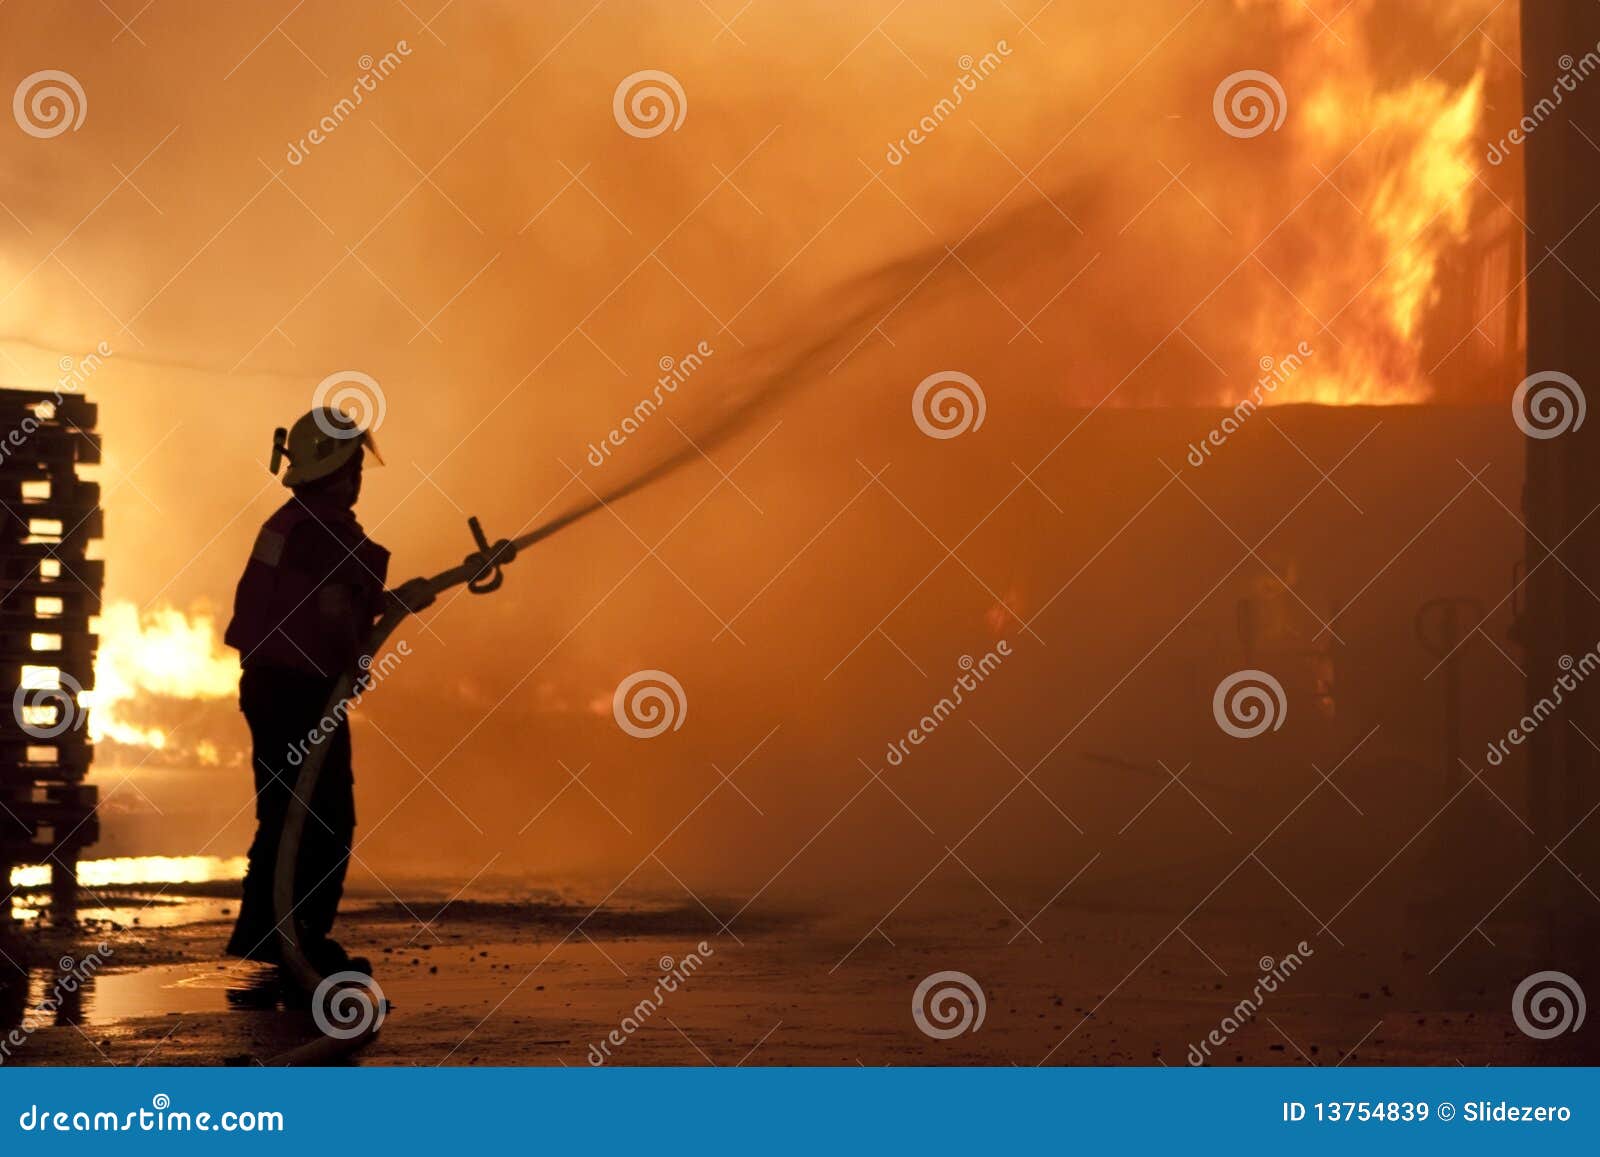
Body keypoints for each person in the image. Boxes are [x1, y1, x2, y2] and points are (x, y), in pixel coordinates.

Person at [222, 407, 431, 983]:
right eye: (356, 464)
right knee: (324, 813)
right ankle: (299, 938)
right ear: (339, 470)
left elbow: (304, 605)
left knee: (287, 810)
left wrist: (394, 605)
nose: (360, 477)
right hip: (300, 691)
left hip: (269, 683)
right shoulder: (328, 531)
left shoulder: (293, 523)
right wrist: (355, 657)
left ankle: (271, 935)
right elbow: (336, 611)